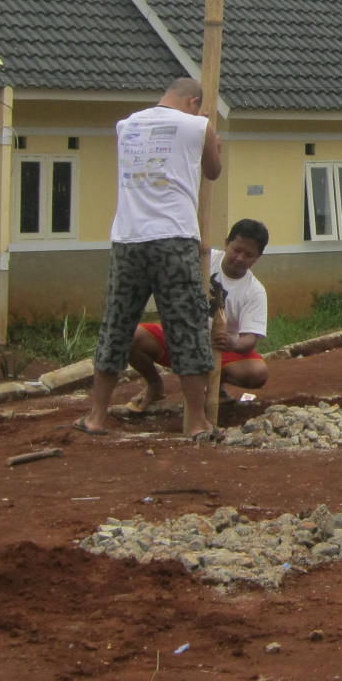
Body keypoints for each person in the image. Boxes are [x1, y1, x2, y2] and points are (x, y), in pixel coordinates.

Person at [77, 77, 223, 438]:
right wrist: (214, 143)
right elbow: (213, 172)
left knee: (116, 326)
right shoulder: (198, 125)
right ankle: (197, 422)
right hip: (174, 237)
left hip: (127, 239)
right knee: (186, 327)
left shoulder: (125, 125)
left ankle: (96, 416)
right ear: (193, 102)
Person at [129, 219, 271, 410]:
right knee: (128, 336)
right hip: (182, 336)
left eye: (248, 255)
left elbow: (250, 339)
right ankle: (155, 385)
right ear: (226, 242)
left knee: (257, 373)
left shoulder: (255, 291)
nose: (239, 258)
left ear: (258, 257)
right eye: (236, 250)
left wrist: (232, 343)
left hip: (218, 348)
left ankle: (216, 387)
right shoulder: (203, 258)